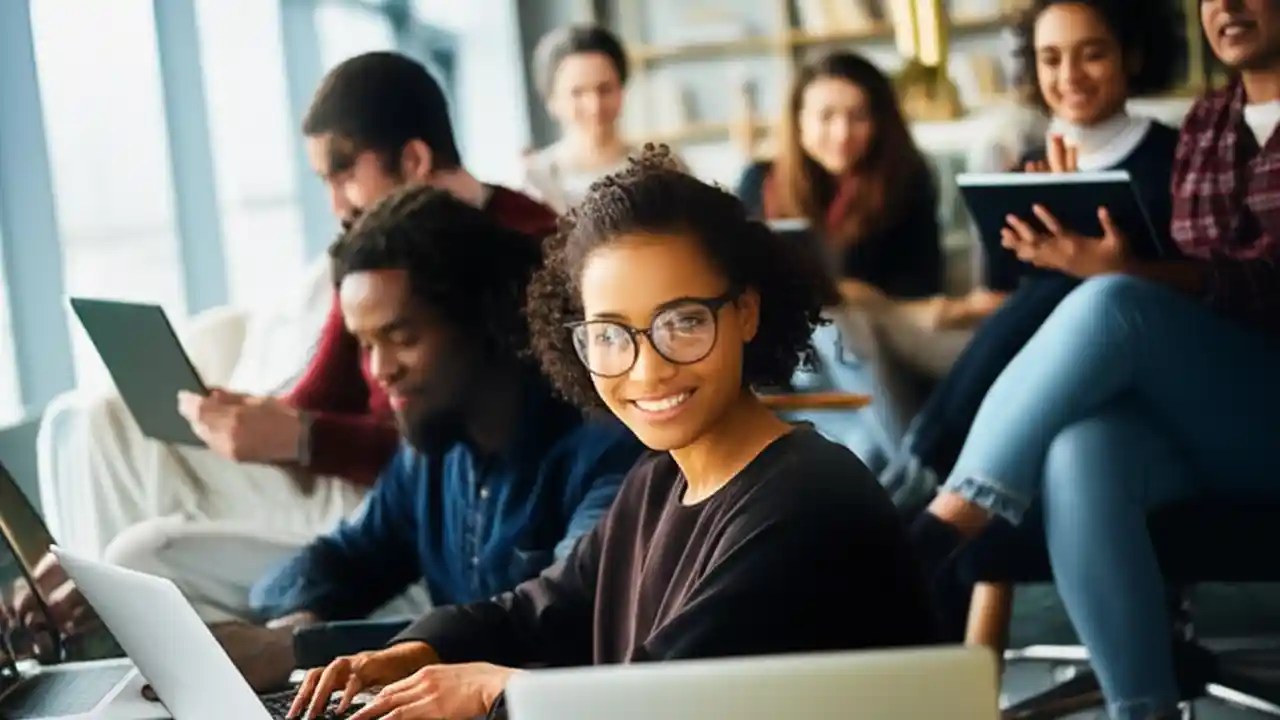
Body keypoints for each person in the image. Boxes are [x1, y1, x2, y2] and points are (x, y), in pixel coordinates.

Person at [287, 148, 938, 720]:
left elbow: (652, 699)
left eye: (681, 322)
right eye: (609, 335)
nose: (647, 367)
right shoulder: (658, 483)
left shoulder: (806, 501)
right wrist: (414, 653)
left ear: (745, 311)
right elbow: (537, 609)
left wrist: (492, 690)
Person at [908, 0, 1280, 716]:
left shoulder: (1172, 141)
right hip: (1208, 408)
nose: (1227, 6)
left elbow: (1260, 285)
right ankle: (1140, 709)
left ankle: (943, 523)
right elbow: (1196, 289)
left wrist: (1123, 273)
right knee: (1081, 449)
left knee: (1113, 301)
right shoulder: (1208, 124)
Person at [228, 186, 638, 685]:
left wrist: (302, 649)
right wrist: (298, 620)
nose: (379, 370)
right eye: (365, 345)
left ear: (484, 320)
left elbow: (554, 623)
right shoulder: (431, 451)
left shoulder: (604, 448)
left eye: (402, 339)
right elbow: (342, 559)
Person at [881, 0, 1181, 519]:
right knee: (1043, 292)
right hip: (1040, 375)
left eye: (1092, 55)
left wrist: (1093, 259)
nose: (1070, 77)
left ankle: (925, 456)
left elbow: (1204, 287)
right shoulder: (1026, 170)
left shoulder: (1173, 159)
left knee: (1063, 287)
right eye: (1050, 58)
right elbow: (1005, 296)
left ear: (1131, 56)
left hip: (1147, 369)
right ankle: (930, 472)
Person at [736, 51, 964, 470]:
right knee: (834, 321)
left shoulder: (904, 182)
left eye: (857, 116)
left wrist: (849, 295)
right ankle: (909, 465)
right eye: (826, 117)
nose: (842, 133)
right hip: (789, 345)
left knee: (842, 323)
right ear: (799, 122)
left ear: (880, 121)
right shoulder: (760, 183)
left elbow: (919, 287)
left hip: (882, 341)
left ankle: (905, 467)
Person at [522, 25, 633, 213]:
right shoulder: (534, 183)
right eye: (577, 92)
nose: (594, 105)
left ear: (622, 90)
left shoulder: (663, 169)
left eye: (605, 89)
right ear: (551, 100)